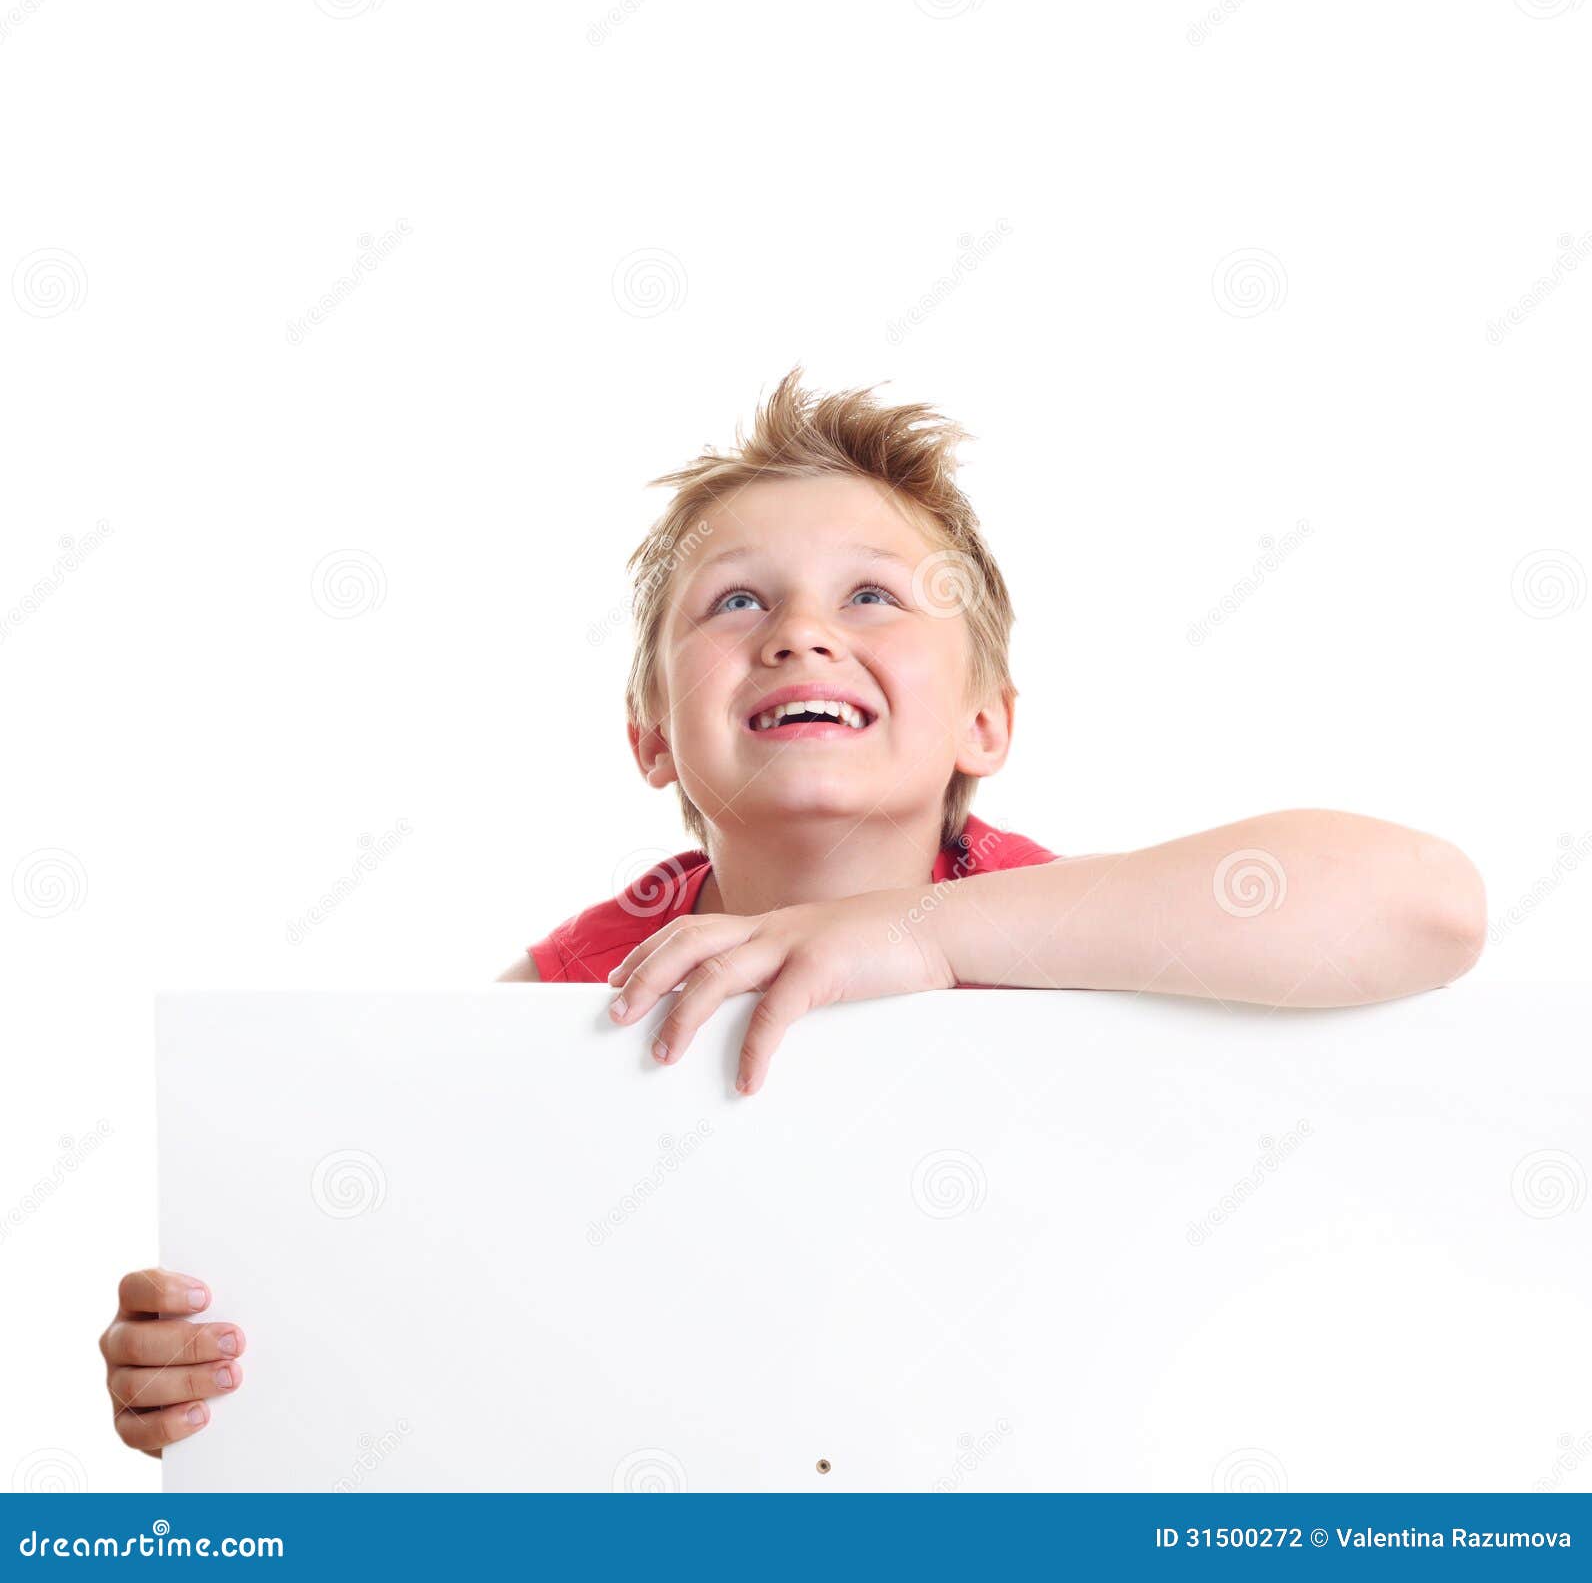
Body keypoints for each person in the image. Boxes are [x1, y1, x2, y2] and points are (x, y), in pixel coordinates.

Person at [102, 369, 1486, 1454]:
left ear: (986, 721)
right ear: (652, 734)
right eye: (737, 601)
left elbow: (1429, 908)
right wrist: (212, 1353)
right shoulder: (583, 989)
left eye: (875, 596)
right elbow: (398, 1279)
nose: (800, 632)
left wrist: (922, 939)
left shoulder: (1046, 917)